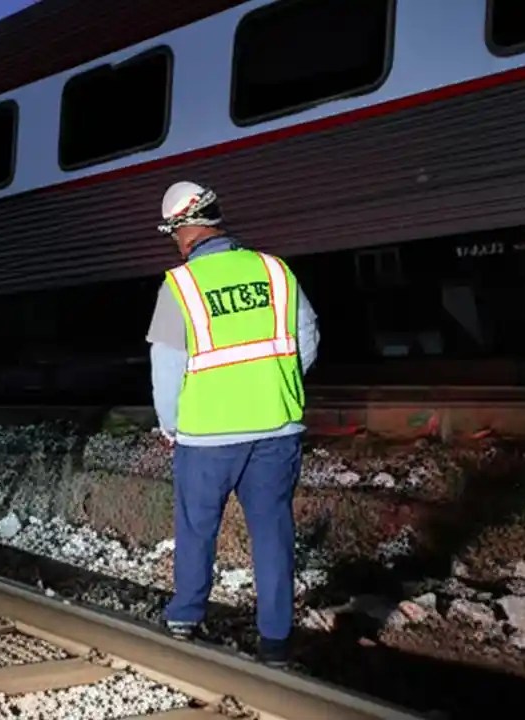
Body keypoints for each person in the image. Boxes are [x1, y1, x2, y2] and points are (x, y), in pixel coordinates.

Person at [145, 181, 320, 667]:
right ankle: (277, 642)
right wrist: (270, 384)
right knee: (272, 532)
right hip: (275, 432)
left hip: (206, 438)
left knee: (197, 528)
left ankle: (185, 618)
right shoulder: (276, 271)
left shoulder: (177, 287)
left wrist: (171, 425)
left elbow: (166, 368)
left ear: (182, 232)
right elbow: (307, 335)